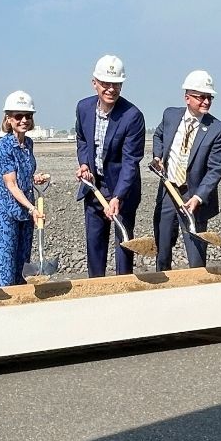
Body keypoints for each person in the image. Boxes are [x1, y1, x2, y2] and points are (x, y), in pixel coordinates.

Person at [74, 54, 146, 277]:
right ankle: (97, 287)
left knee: (123, 243)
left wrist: (118, 197)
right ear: (94, 82)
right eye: (106, 83)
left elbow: (130, 162)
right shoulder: (84, 108)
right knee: (95, 244)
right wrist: (84, 164)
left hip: (121, 190)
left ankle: (123, 288)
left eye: (116, 84)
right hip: (94, 188)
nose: (111, 89)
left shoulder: (132, 116)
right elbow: (83, 139)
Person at [149, 71, 221, 270]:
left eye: (210, 97)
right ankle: (162, 286)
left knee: (196, 255)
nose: (206, 101)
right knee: (162, 248)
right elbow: (158, 136)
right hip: (168, 190)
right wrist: (158, 157)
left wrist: (199, 197)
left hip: (193, 197)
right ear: (187, 97)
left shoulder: (218, 130)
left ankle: (198, 290)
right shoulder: (170, 115)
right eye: (201, 96)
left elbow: (215, 170)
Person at [0, 90, 50, 286]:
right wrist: (33, 209)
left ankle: (21, 300)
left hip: (24, 208)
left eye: (28, 116)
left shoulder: (28, 143)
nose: (24, 120)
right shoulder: (4, 146)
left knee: (22, 262)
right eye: (18, 116)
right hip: (5, 209)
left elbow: (22, 175)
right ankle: (5, 302)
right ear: (9, 119)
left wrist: (34, 179)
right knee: (6, 259)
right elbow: (11, 184)